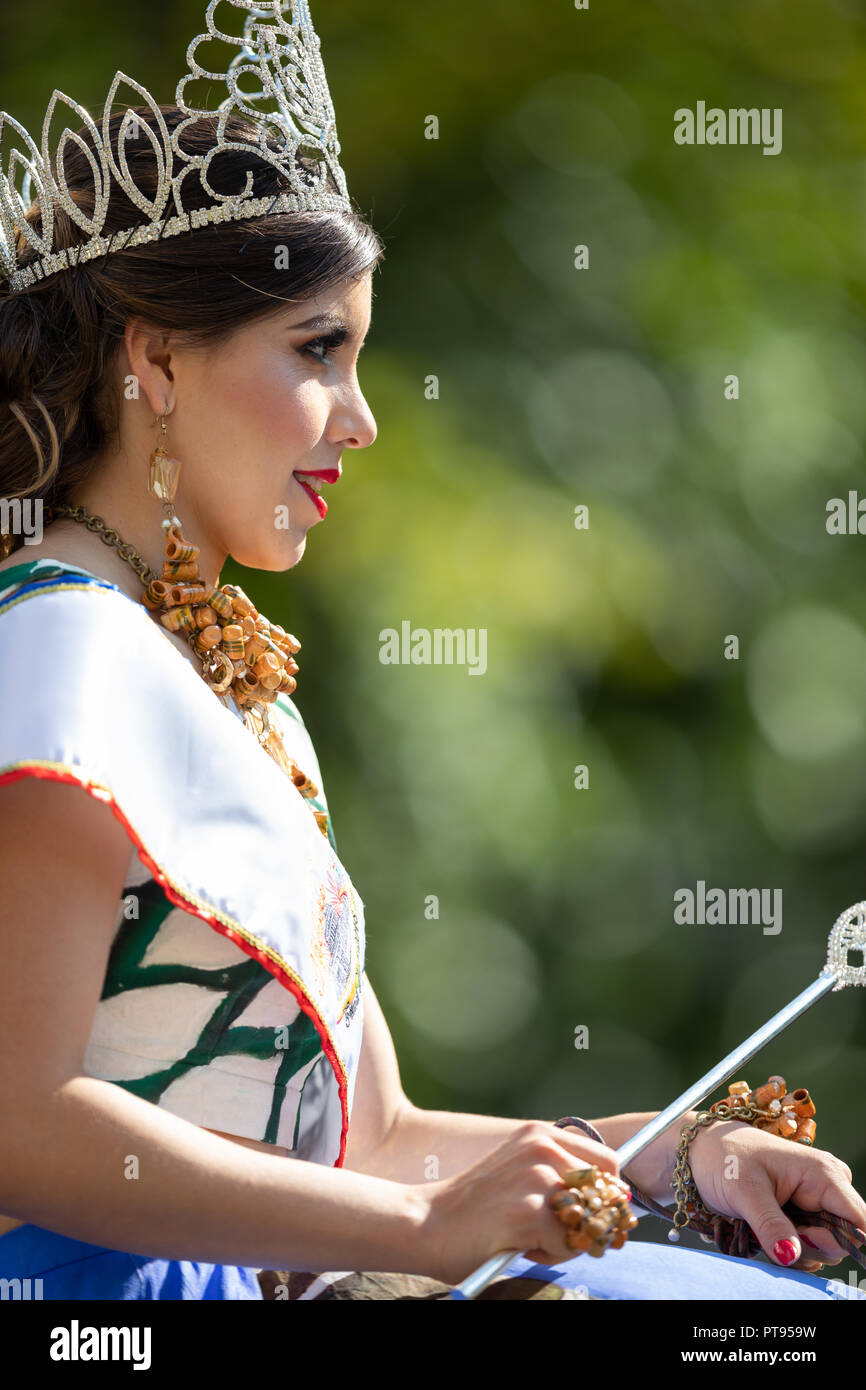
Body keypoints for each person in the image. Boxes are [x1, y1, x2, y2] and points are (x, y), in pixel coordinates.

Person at [0, 0, 863, 1302]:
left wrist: (680, 1154)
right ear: (158, 363)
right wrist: (415, 1234)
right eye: (317, 351)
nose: (359, 419)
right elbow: (18, 1122)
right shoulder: (62, 657)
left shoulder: (235, 690)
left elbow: (381, 1140)